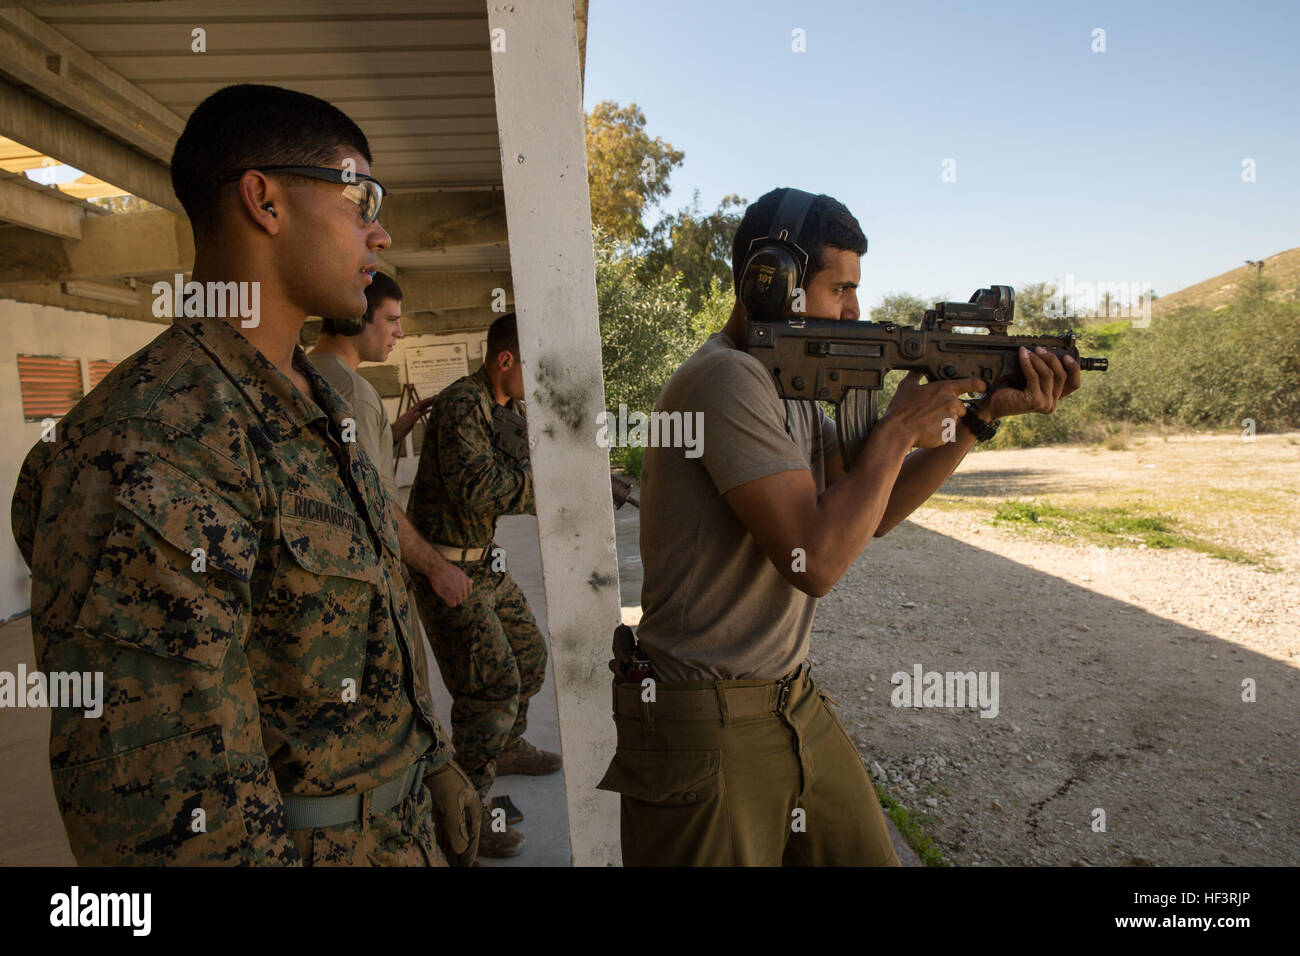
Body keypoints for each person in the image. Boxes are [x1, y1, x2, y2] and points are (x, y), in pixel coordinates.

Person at [10, 83, 479, 866]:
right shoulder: (148, 442)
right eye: (360, 198)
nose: (381, 233)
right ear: (264, 200)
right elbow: (169, 815)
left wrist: (428, 765)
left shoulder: (309, 402)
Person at [597, 186, 1081, 866]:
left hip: (787, 700)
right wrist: (899, 431)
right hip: (703, 718)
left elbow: (869, 511)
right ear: (773, 283)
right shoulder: (724, 382)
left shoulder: (783, 385)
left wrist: (978, 419)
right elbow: (815, 560)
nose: (856, 310)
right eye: (841, 289)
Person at [407, 313, 561, 860]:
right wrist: (541, 486)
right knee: (490, 689)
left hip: (484, 565)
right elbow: (477, 488)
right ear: (505, 361)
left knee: (531, 657)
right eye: (530, 366)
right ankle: (468, 812)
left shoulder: (505, 408)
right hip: (445, 567)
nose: (535, 379)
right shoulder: (461, 405)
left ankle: (506, 745)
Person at [307, 272, 473, 611]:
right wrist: (437, 568)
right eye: (392, 320)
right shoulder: (355, 393)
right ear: (355, 317)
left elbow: (338, 459)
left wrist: (389, 432)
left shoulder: (307, 371)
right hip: (369, 574)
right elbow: (374, 499)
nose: (399, 332)